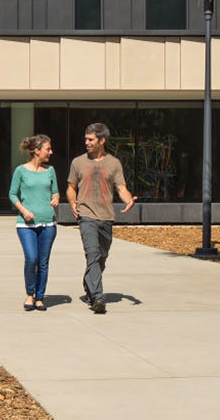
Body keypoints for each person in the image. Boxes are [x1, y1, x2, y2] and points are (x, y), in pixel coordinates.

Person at [66, 121, 136, 314]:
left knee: (101, 257)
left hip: (106, 217)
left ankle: (89, 281)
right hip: (86, 215)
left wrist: (128, 200)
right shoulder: (78, 162)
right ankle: (97, 297)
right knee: (93, 254)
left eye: (90, 139)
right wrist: (72, 202)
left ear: (102, 140)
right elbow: (71, 187)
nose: (86, 143)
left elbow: (121, 188)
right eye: (86, 139)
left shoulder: (114, 163)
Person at [8, 134, 59, 311]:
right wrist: (23, 210)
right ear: (37, 151)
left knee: (43, 263)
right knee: (31, 259)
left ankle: (40, 297)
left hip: (48, 224)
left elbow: (55, 191)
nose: (51, 152)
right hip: (26, 225)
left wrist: (56, 198)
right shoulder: (20, 171)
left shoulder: (50, 170)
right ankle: (30, 294)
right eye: (48, 149)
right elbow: (12, 194)